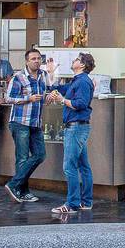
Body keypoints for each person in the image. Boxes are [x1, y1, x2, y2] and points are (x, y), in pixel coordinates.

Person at [48, 53, 95, 215]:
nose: (73, 61)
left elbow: (80, 104)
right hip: (79, 127)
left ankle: (72, 203)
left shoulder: (82, 81)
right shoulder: (78, 80)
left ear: (82, 65)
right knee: (83, 165)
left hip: (75, 127)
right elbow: (58, 88)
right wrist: (51, 73)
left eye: (76, 59)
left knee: (69, 166)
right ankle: (86, 201)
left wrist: (62, 100)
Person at [5, 47, 51, 203]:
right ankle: (22, 190)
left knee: (40, 154)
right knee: (22, 158)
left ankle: (14, 185)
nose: (37, 61)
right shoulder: (18, 77)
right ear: (26, 61)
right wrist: (28, 99)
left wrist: (49, 97)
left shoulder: (44, 75)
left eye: (39, 58)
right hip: (20, 122)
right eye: (33, 59)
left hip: (36, 122)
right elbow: (9, 98)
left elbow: (47, 92)